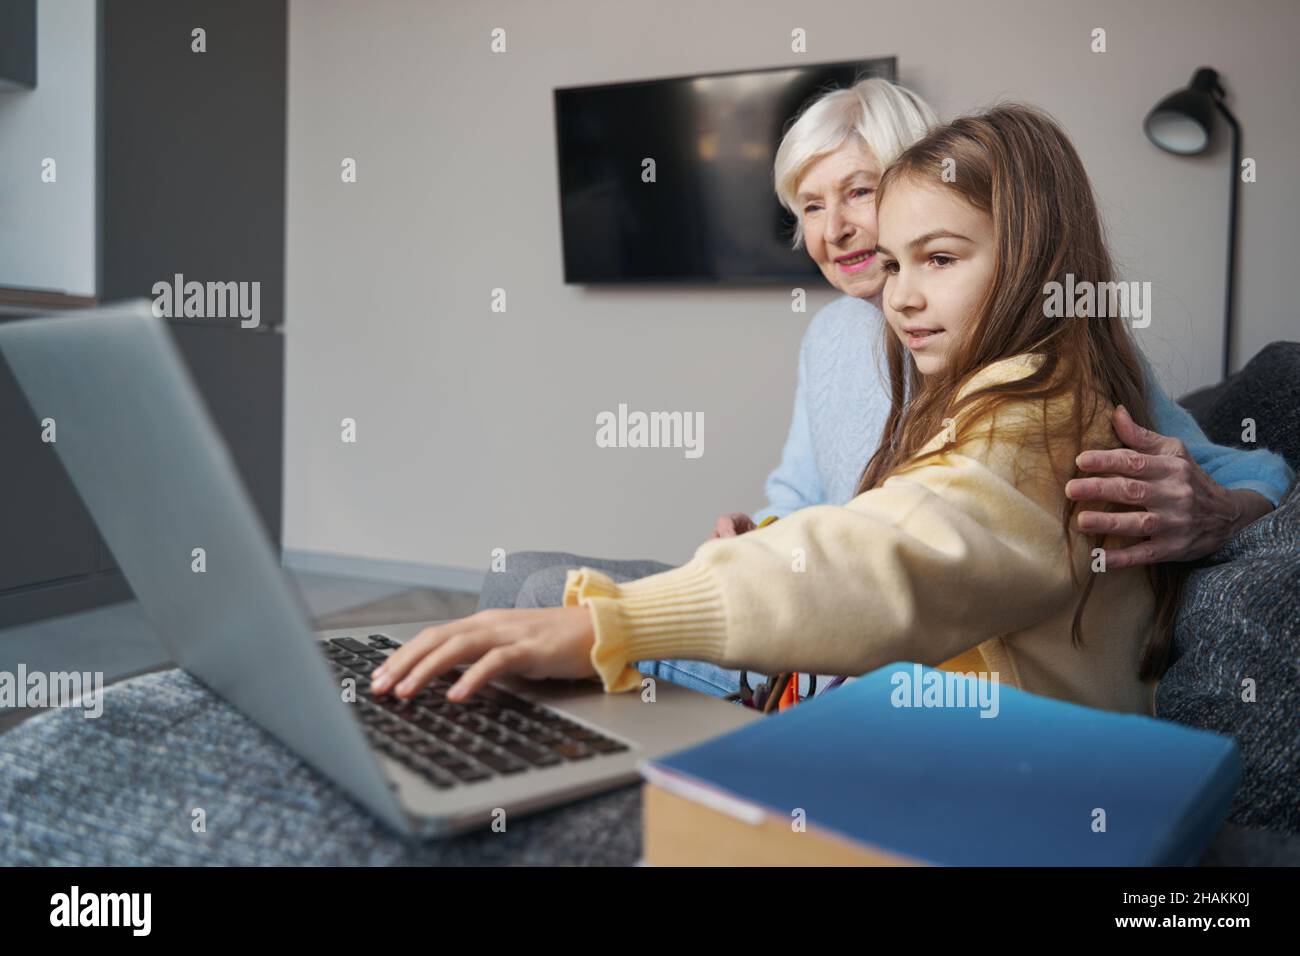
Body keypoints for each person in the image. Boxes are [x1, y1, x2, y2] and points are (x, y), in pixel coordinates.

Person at [372, 101, 1293, 712]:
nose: (840, 233)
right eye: (810, 205)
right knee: (530, 585)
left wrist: (1228, 507)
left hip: (897, 664)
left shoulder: (1051, 382)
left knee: (542, 602)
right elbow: (821, 511)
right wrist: (758, 528)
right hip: (832, 617)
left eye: (861, 195)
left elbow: (905, 546)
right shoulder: (849, 340)